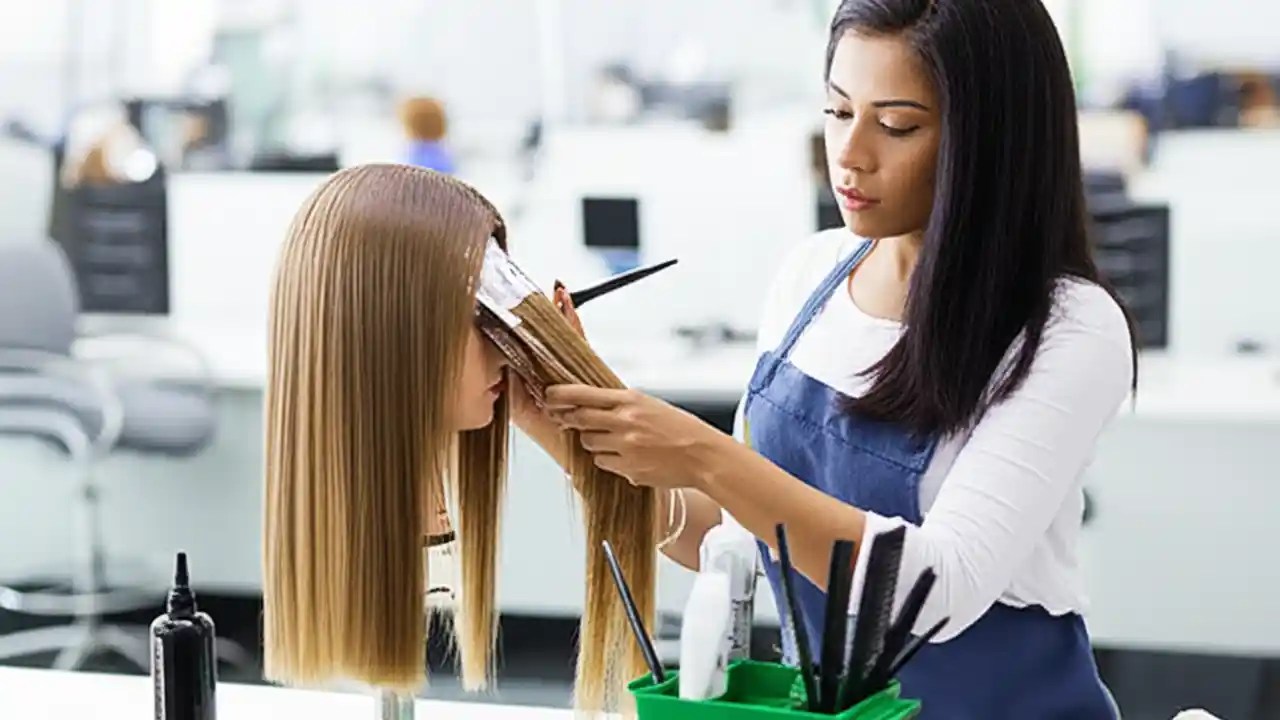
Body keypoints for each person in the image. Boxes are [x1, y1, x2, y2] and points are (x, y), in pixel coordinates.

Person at [531, 0, 1135, 716]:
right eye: (838, 111)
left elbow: (936, 589)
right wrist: (555, 403)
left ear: (991, 141)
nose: (849, 154)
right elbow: (734, 540)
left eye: (897, 125)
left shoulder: (1067, 328)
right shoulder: (811, 277)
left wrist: (704, 455)